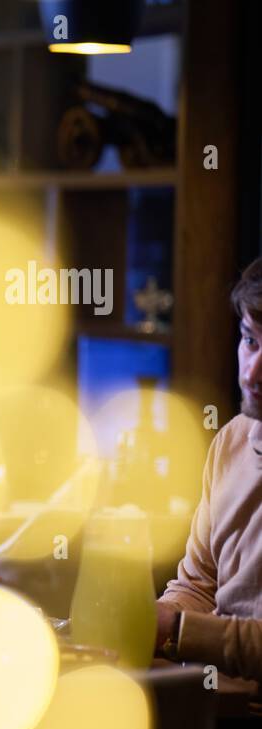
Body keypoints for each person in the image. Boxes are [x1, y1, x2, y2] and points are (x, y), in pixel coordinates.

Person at [155, 257, 262, 678]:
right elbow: (199, 583)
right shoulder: (232, 441)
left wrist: (177, 631)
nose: (253, 372)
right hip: (216, 706)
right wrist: (154, 618)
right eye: (250, 340)